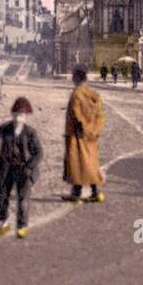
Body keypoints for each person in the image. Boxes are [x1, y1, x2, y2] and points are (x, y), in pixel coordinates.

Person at [0, 96, 43, 239]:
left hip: (24, 170)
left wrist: (30, 167)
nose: (17, 119)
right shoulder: (5, 128)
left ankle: (22, 226)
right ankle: (4, 223)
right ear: (12, 115)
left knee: (23, 200)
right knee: (2, 197)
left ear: (25, 117)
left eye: (21, 116)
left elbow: (39, 153)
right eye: (15, 115)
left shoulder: (30, 132)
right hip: (6, 169)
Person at [63, 68, 105, 204]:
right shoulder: (93, 94)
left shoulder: (76, 94)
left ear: (75, 78)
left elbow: (75, 112)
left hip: (77, 134)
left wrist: (80, 127)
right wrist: (94, 130)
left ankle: (76, 193)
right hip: (91, 134)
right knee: (91, 163)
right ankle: (95, 192)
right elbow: (99, 115)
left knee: (76, 163)